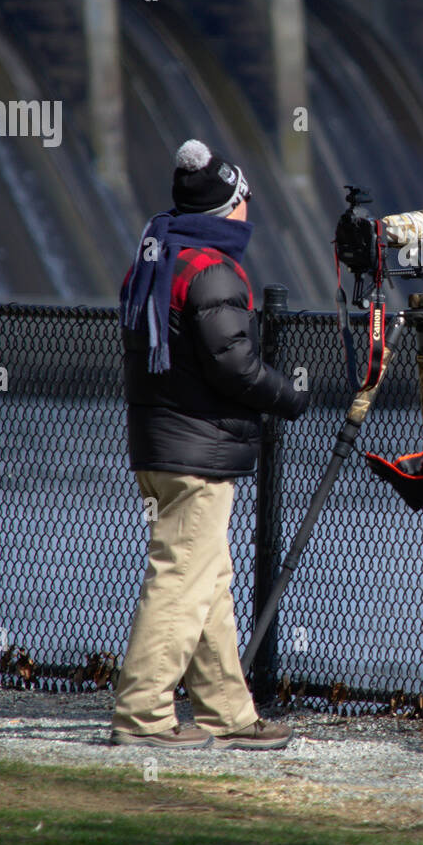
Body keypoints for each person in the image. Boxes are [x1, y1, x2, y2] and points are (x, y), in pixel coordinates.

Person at [111, 140, 308, 750]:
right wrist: (290, 393)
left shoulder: (156, 258)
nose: (249, 211)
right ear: (228, 206)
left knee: (208, 579)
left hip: (159, 446)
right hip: (197, 455)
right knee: (180, 580)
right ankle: (142, 717)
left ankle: (229, 715)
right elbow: (234, 364)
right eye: (244, 199)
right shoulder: (211, 269)